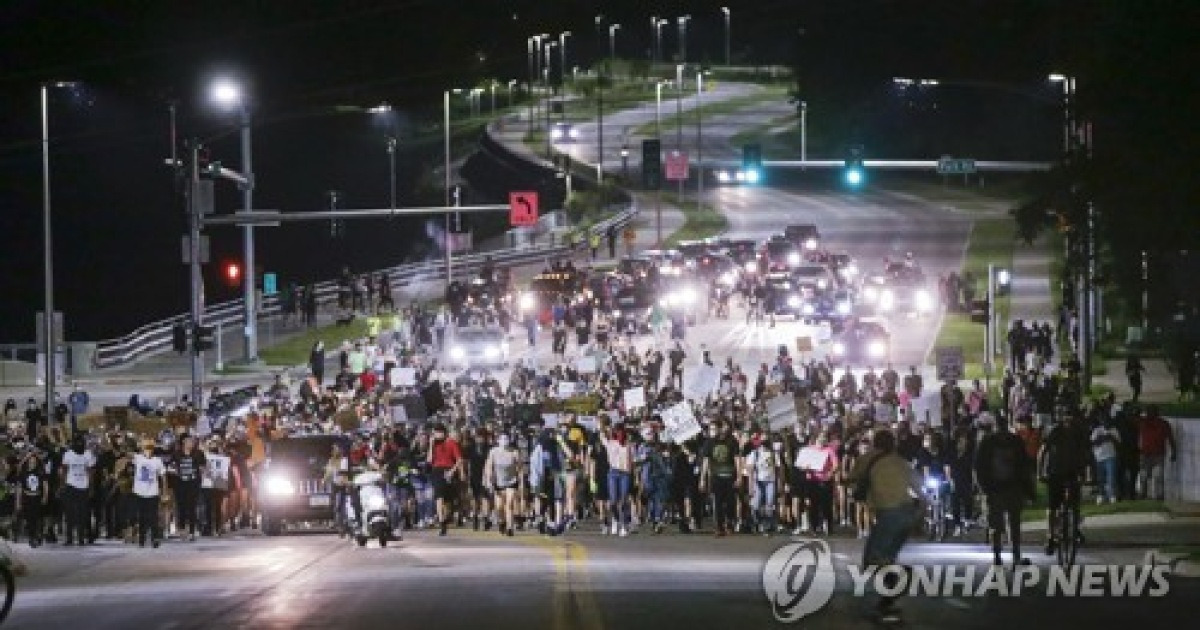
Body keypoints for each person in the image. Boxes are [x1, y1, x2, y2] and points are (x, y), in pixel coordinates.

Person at [847, 429, 922, 624]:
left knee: (872, 561)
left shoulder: (867, 459)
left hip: (889, 514)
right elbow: (921, 492)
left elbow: (850, 478)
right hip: (907, 513)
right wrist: (919, 516)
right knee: (886, 558)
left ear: (875, 443)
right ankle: (887, 601)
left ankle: (900, 580)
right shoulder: (901, 462)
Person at [974, 416, 1035, 567]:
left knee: (1004, 523)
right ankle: (1004, 554)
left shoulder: (992, 442)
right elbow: (980, 466)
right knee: (1005, 523)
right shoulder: (1000, 442)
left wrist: (984, 487)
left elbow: (1023, 465)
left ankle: (1003, 555)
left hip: (1006, 487)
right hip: (1000, 487)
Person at [1038, 409, 1092, 556]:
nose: (1069, 420)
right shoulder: (1054, 431)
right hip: (1055, 472)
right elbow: (1043, 451)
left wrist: (1088, 473)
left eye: (1071, 417)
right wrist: (1040, 472)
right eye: (1066, 418)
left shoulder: (1080, 431)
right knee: (1053, 506)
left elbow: (1086, 452)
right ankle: (1050, 536)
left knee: (1075, 503)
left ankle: (1074, 528)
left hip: (1073, 471)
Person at [700, 420, 742, 537]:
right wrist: (703, 478)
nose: (712, 432)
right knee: (717, 502)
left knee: (730, 502)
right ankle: (719, 527)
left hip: (730, 476)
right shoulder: (709, 443)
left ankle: (729, 523)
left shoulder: (732, 441)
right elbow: (706, 461)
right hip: (716, 477)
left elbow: (737, 459)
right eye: (710, 429)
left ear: (720, 429)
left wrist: (738, 476)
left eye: (714, 429)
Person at [427, 423, 463, 536]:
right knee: (439, 497)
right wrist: (431, 445)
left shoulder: (451, 442)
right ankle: (442, 522)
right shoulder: (434, 444)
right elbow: (429, 460)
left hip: (449, 470)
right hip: (437, 470)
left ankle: (446, 518)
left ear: (443, 432)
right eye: (434, 433)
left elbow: (459, 459)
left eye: (437, 432)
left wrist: (453, 471)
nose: (435, 435)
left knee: (449, 500)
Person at [483, 432, 522, 537]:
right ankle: (502, 522)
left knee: (509, 504)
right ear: (498, 441)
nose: (504, 441)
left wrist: (521, 482)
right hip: (498, 482)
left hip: (512, 481)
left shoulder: (514, 452)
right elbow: (489, 466)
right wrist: (489, 479)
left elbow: (519, 468)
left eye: (506, 439)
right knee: (499, 506)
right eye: (502, 439)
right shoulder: (493, 452)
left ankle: (510, 527)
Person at [60, 435, 96, 546]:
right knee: (69, 513)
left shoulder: (88, 454)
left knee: (83, 514)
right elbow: (64, 470)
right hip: (70, 485)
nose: (79, 444)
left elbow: (91, 472)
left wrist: (91, 487)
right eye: (77, 442)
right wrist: (63, 485)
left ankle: (81, 538)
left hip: (83, 487)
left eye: (81, 442)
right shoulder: (68, 454)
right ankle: (69, 538)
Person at [1136, 405, 1177, 500]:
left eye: (1151, 412)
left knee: (1158, 476)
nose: (1149, 414)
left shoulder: (1163, 424)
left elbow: (1170, 438)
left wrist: (1174, 451)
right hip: (1145, 454)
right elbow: (1133, 420)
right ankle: (1142, 494)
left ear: (1156, 413)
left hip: (1158, 454)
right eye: (1148, 412)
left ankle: (1159, 496)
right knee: (1144, 475)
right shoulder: (1143, 422)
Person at [132, 438, 167, 548]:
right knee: (141, 517)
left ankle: (155, 538)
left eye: (150, 448)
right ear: (142, 449)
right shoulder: (137, 458)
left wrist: (164, 492)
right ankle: (141, 539)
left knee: (153, 517)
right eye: (146, 448)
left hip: (153, 493)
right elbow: (126, 454)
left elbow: (163, 476)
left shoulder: (157, 460)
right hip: (139, 492)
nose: (148, 450)